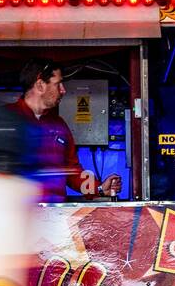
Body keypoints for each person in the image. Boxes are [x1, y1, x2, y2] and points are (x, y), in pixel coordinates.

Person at [10, 58, 121, 201]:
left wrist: (98, 188)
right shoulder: (5, 119)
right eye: (58, 84)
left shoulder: (59, 124)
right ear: (40, 85)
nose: (63, 90)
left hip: (54, 217)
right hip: (17, 216)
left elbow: (72, 172)